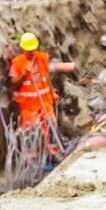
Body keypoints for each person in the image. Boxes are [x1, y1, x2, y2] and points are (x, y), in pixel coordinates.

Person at [9, 32, 76, 163]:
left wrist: (52, 92)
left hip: (45, 102)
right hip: (28, 106)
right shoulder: (18, 62)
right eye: (29, 51)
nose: (32, 53)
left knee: (51, 128)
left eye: (33, 50)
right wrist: (24, 73)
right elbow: (14, 83)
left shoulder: (42, 58)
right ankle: (30, 160)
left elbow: (45, 77)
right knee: (29, 132)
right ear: (23, 49)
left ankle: (53, 154)